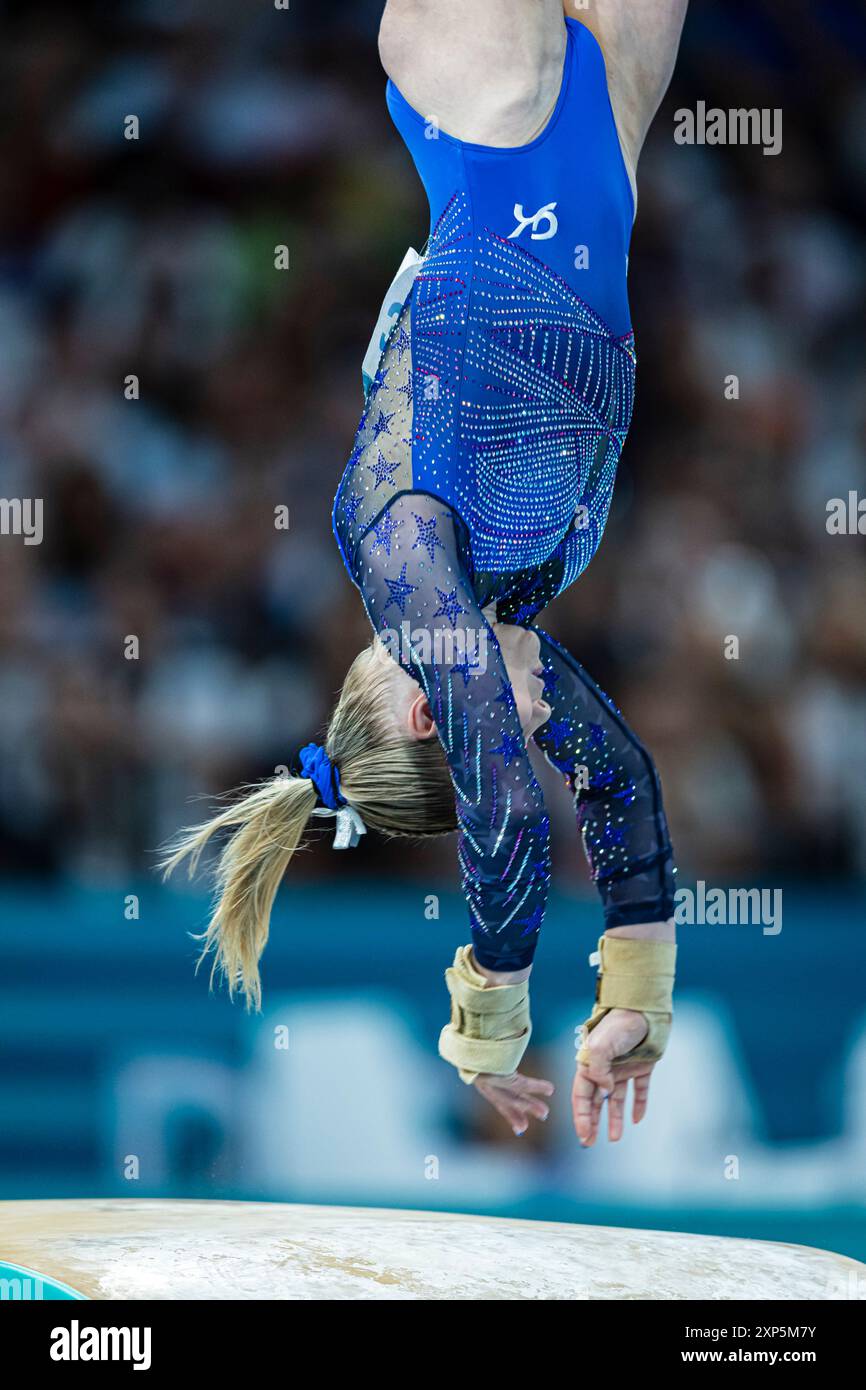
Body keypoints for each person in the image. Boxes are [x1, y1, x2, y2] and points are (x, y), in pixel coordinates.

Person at [164, 0, 689, 1147]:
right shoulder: (512, 606)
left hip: (485, 109)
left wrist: (489, 1028)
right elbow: (621, 786)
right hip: (602, 140)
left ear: (425, 705)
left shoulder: (399, 552)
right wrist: (631, 999)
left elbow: (503, 800)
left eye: (502, 723)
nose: (548, 720)